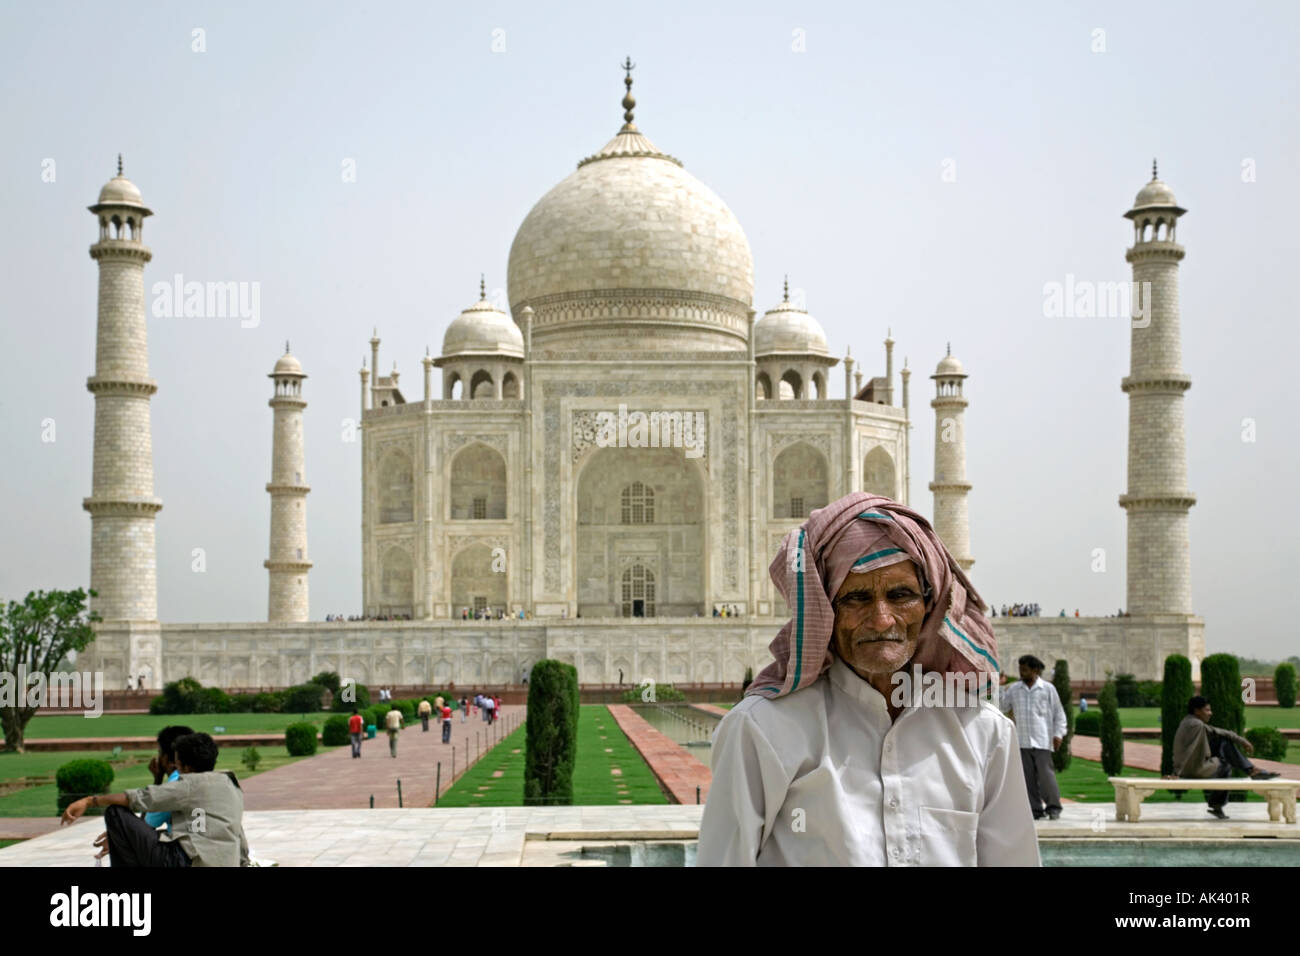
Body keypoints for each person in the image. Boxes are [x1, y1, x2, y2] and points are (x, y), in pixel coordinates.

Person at [697, 492, 1038, 866]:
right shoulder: (763, 730)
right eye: (856, 598)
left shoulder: (983, 734)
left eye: (901, 595)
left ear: (929, 604)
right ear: (825, 608)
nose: (881, 619)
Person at [63, 732, 249, 867]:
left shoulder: (189, 784)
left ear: (186, 766)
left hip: (185, 861)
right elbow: (237, 832)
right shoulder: (231, 785)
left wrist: (89, 801)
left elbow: (140, 799)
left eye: (177, 764)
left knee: (116, 813)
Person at [1173, 695, 1279, 819]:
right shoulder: (1196, 725)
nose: (1210, 713)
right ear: (1197, 711)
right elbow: (1188, 751)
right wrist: (1176, 772)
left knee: (1223, 743)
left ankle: (1250, 771)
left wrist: (1241, 740)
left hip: (1190, 767)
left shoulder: (1189, 721)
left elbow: (1218, 731)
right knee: (1226, 765)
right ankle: (1219, 803)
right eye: (1207, 710)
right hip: (1193, 770)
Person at [999, 655, 1068, 820]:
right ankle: (1035, 809)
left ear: (1035, 670)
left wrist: (1058, 734)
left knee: (1046, 777)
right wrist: (1000, 687)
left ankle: (1053, 807)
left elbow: (1058, 714)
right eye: (1020, 669)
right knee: (1027, 779)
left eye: (1025, 669)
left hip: (1042, 739)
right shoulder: (1015, 689)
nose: (1021, 673)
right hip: (1022, 741)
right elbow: (1001, 706)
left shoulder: (1047, 689)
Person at [142, 725, 194, 834]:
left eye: (159, 753)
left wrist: (157, 781)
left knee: (116, 813)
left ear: (165, 759)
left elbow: (145, 826)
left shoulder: (173, 786)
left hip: (184, 849)